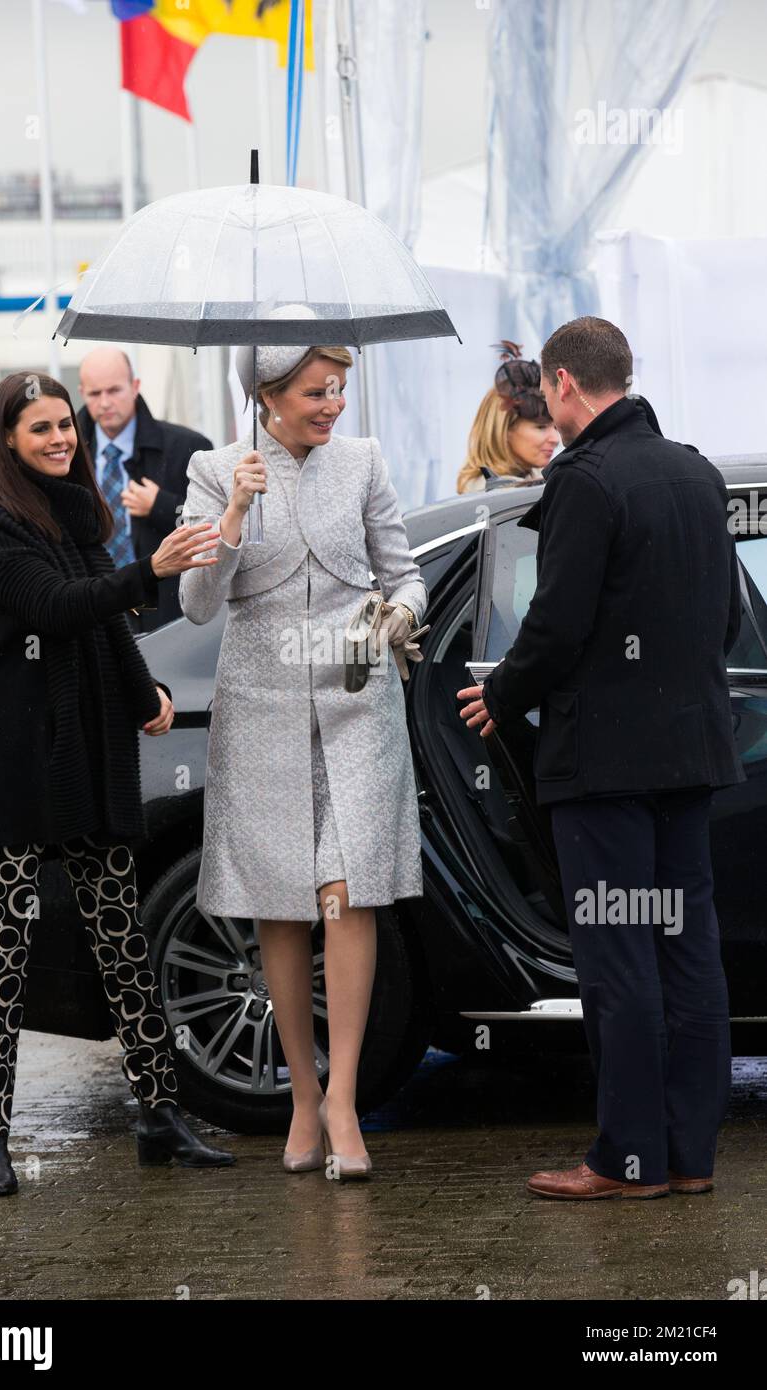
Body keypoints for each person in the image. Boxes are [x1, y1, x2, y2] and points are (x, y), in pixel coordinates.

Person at [456, 316, 744, 1200]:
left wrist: (499, 694)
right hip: (691, 757)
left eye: (547, 390)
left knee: (619, 956)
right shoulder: (697, 470)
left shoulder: (585, 480)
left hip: (607, 768)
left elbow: (557, 624)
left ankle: (627, 1162)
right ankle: (689, 1158)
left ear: (568, 385)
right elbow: (728, 618)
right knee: (686, 951)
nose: (545, 403)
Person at [0, 371, 235, 1197]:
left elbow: (104, 620)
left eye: (63, 427)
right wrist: (149, 566)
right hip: (11, 756)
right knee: (2, 948)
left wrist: (144, 686)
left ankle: (159, 1114)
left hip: (81, 753)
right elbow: (54, 605)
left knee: (120, 939)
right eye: (39, 429)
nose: (59, 440)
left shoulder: (77, 510)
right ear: (8, 438)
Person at [178, 323, 427, 1181]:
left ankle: (346, 1101)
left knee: (348, 890)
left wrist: (403, 613)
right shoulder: (215, 470)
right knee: (282, 902)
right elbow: (200, 603)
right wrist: (237, 510)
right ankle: (301, 1096)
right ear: (269, 395)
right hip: (263, 706)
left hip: (360, 703)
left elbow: (404, 572)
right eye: (316, 391)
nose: (334, 404)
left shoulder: (362, 461)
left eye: (337, 388)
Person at [76, 347, 214, 632]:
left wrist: (160, 506)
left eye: (114, 390)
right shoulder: (67, 454)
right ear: (82, 393)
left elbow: (212, 524)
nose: (105, 403)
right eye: (94, 394)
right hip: (91, 604)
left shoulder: (186, 447)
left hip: (163, 608)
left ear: (135, 386)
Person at [456, 340, 558, 493]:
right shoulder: (496, 496)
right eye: (541, 427)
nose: (555, 439)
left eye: (555, 427)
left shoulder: (529, 481)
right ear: (503, 430)